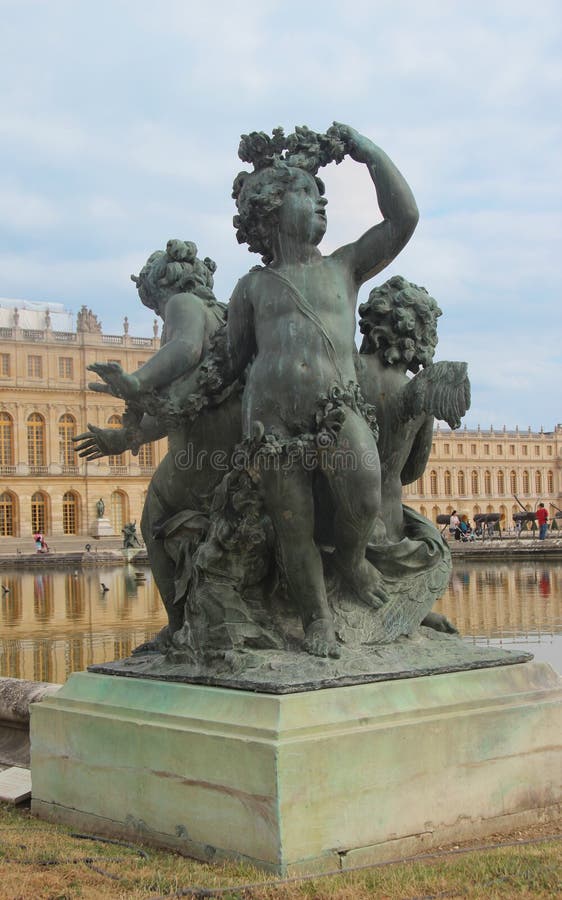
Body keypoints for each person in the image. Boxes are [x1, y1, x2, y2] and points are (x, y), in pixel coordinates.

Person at [221, 123, 419, 657]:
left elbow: (404, 219)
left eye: (320, 194)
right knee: (293, 525)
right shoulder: (253, 288)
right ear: (268, 212)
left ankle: (352, 562)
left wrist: (369, 154)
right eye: (305, 194)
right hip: (270, 421)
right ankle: (317, 620)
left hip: (337, 409)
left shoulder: (344, 267)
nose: (321, 204)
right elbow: (228, 362)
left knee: (363, 490)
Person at [74, 240, 241, 647]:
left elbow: (186, 351)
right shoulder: (220, 314)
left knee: (153, 523)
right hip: (227, 445)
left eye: (151, 301)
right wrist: (124, 438)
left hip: (200, 451)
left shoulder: (182, 305)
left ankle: (180, 625)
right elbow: (179, 403)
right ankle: (210, 619)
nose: (155, 311)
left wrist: (136, 381)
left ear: (157, 286)